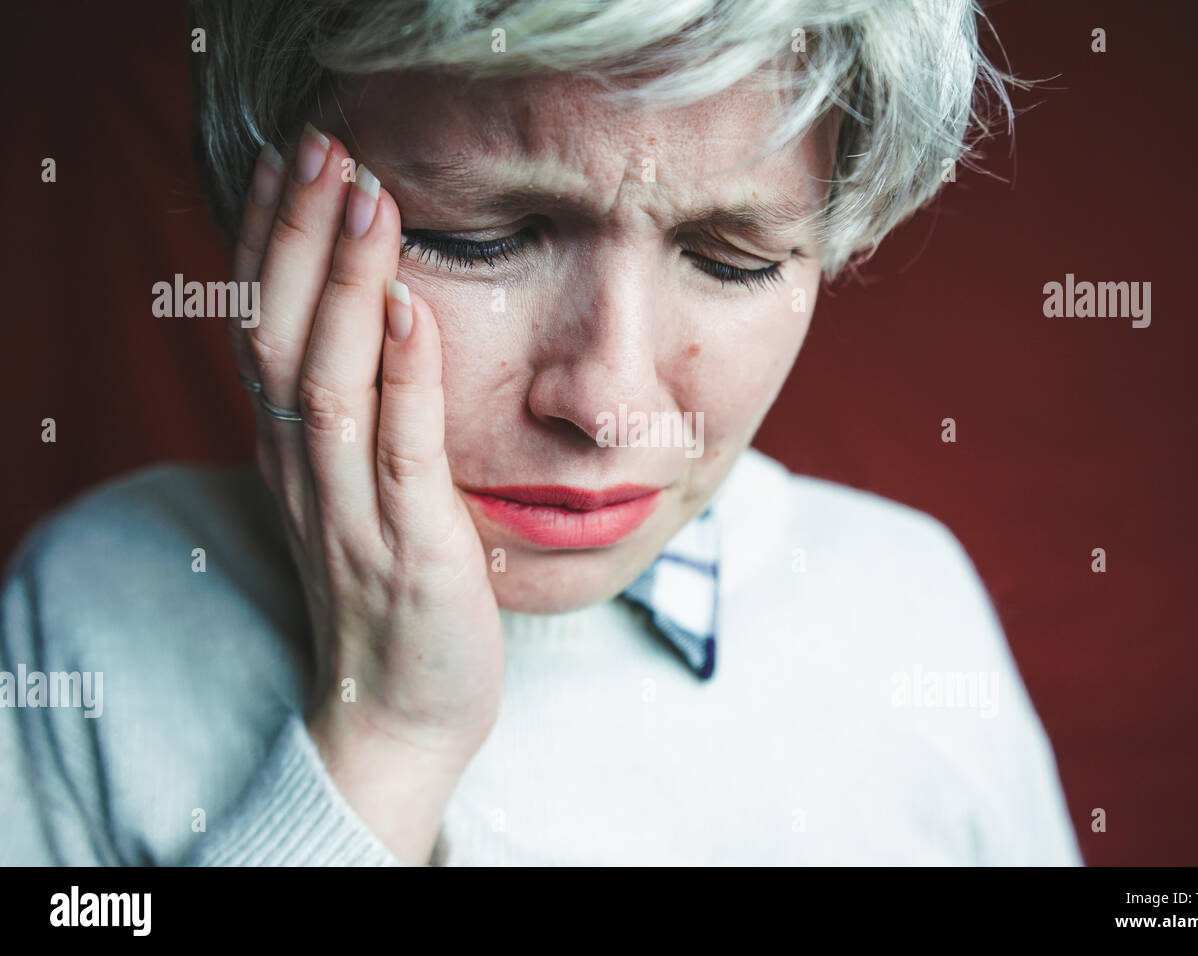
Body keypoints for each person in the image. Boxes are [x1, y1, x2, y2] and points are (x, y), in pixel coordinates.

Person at [0, 0, 1081, 865]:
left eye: (733, 257)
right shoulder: (90, 617)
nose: (610, 404)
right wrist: (386, 741)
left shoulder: (910, 611)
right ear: (273, 209)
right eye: (479, 240)